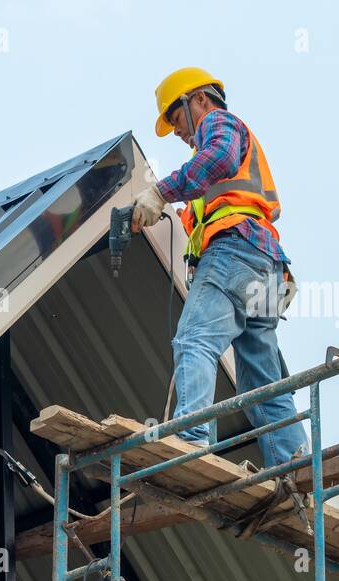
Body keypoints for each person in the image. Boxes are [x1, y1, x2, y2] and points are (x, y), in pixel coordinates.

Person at [132, 67, 308, 468]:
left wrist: (159, 191)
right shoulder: (213, 182)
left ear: (198, 100)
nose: (177, 130)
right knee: (261, 379)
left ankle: (192, 440)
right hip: (264, 265)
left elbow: (218, 158)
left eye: (175, 117)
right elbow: (209, 196)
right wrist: (168, 209)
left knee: (195, 339)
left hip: (236, 252)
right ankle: (296, 463)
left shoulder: (219, 123)